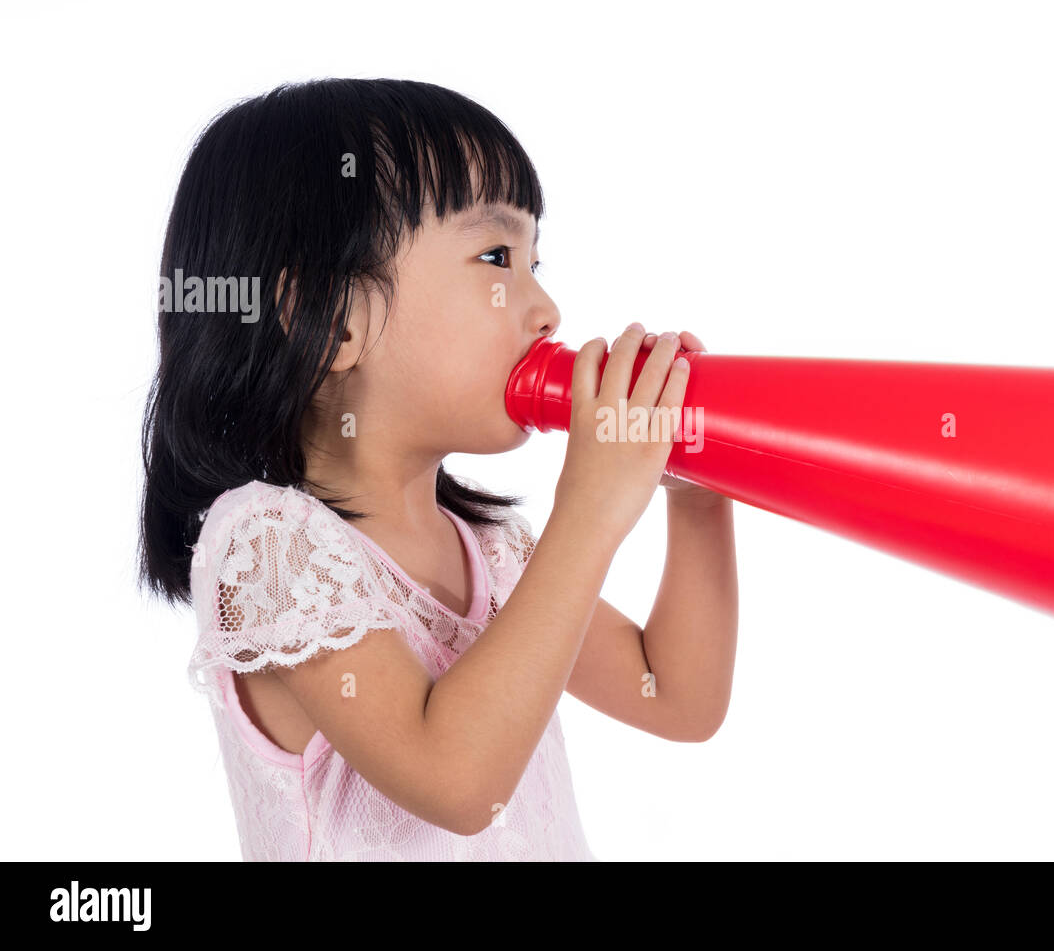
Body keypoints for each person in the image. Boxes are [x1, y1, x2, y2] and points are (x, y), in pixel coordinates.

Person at [138, 78, 738, 860]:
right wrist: (590, 512)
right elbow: (459, 783)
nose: (546, 306)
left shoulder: (492, 549)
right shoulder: (266, 547)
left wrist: (693, 503)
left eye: (534, 258)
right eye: (496, 257)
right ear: (332, 323)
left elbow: (677, 696)